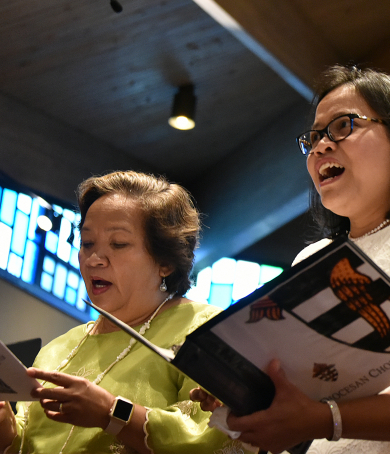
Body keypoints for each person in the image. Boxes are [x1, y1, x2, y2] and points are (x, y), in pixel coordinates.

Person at [192, 65, 390, 454]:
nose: (321, 145)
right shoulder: (314, 256)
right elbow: (301, 397)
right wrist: (244, 392)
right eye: (314, 136)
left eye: (343, 126)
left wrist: (325, 419)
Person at [0, 171, 253, 454]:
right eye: (87, 243)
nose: (94, 259)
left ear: (165, 261)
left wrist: (111, 412)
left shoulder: (201, 329)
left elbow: (220, 436)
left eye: (118, 244)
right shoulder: (57, 350)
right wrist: (7, 432)